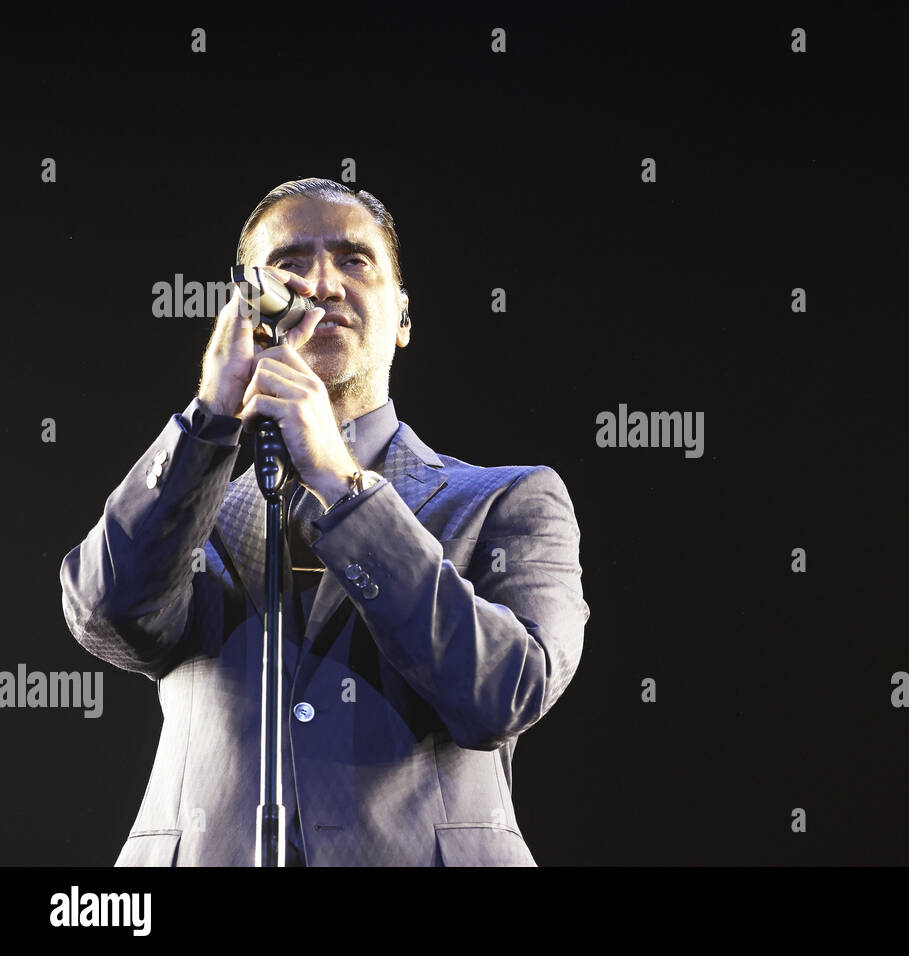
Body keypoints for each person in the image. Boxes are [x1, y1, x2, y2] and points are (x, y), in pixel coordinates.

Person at [58, 178, 589, 866]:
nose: (321, 284)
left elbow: (503, 693)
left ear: (402, 316)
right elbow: (105, 617)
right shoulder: (187, 512)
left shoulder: (508, 500)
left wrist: (344, 485)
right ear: (248, 309)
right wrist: (209, 417)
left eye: (354, 260)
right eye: (288, 264)